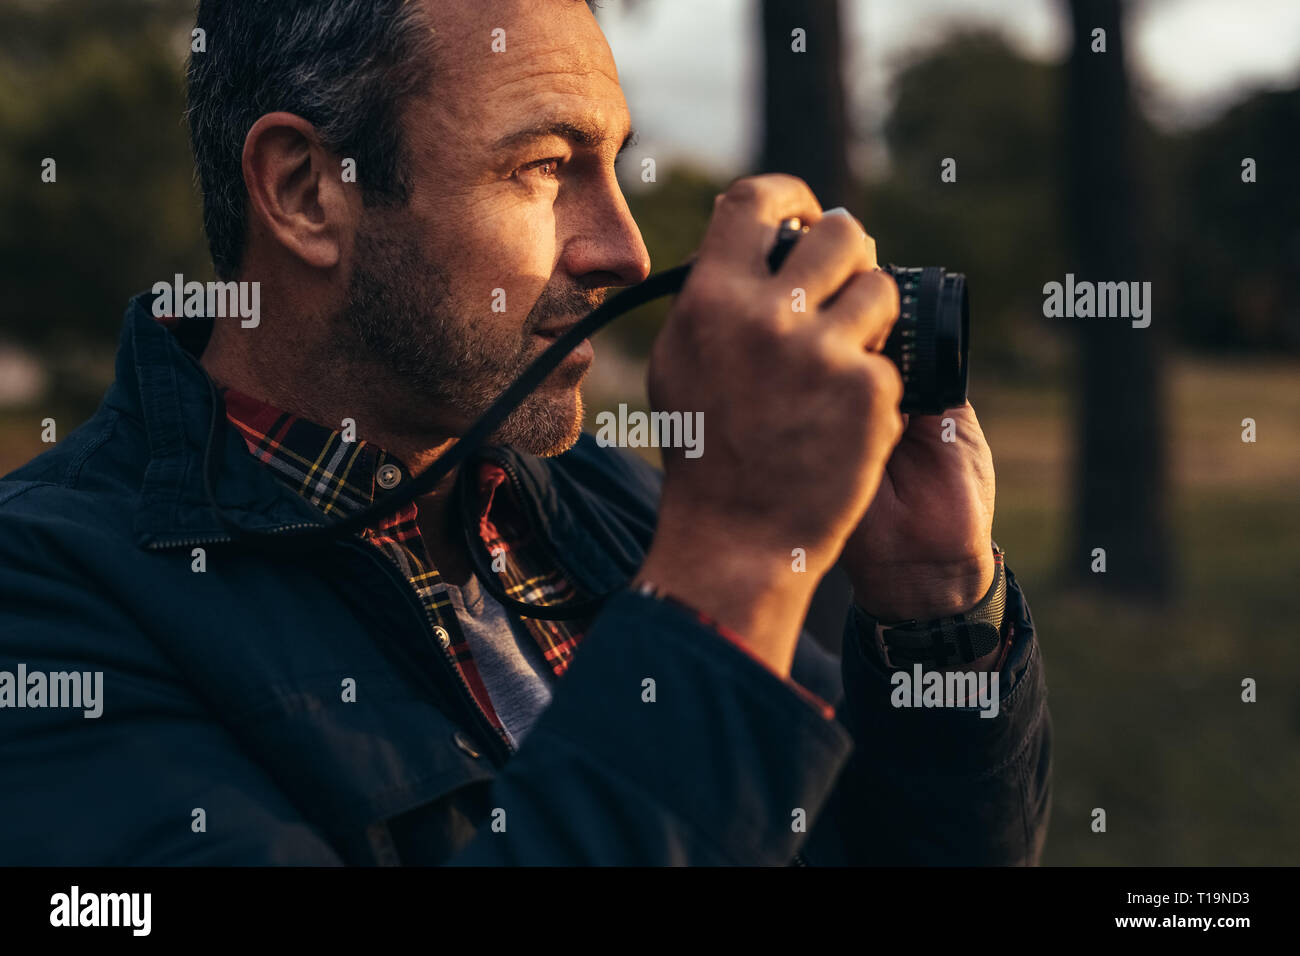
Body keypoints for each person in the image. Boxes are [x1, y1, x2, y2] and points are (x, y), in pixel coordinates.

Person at [0, 0, 1050, 865]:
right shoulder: (49, 602)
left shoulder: (607, 503)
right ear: (306, 192)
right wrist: (727, 562)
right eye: (547, 166)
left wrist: (930, 614)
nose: (626, 253)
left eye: (614, 166)